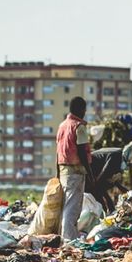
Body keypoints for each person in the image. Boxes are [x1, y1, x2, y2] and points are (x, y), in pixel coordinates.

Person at [55, 97, 93, 241]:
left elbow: (58, 151)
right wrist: (90, 174)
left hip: (63, 171)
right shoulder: (79, 126)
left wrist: (57, 174)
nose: (85, 112)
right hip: (76, 171)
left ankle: (65, 237)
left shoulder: (62, 126)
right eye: (84, 109)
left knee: (65, 205)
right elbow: (82, 152)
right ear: (80, 109)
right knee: (72, 208)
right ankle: (69, 240)